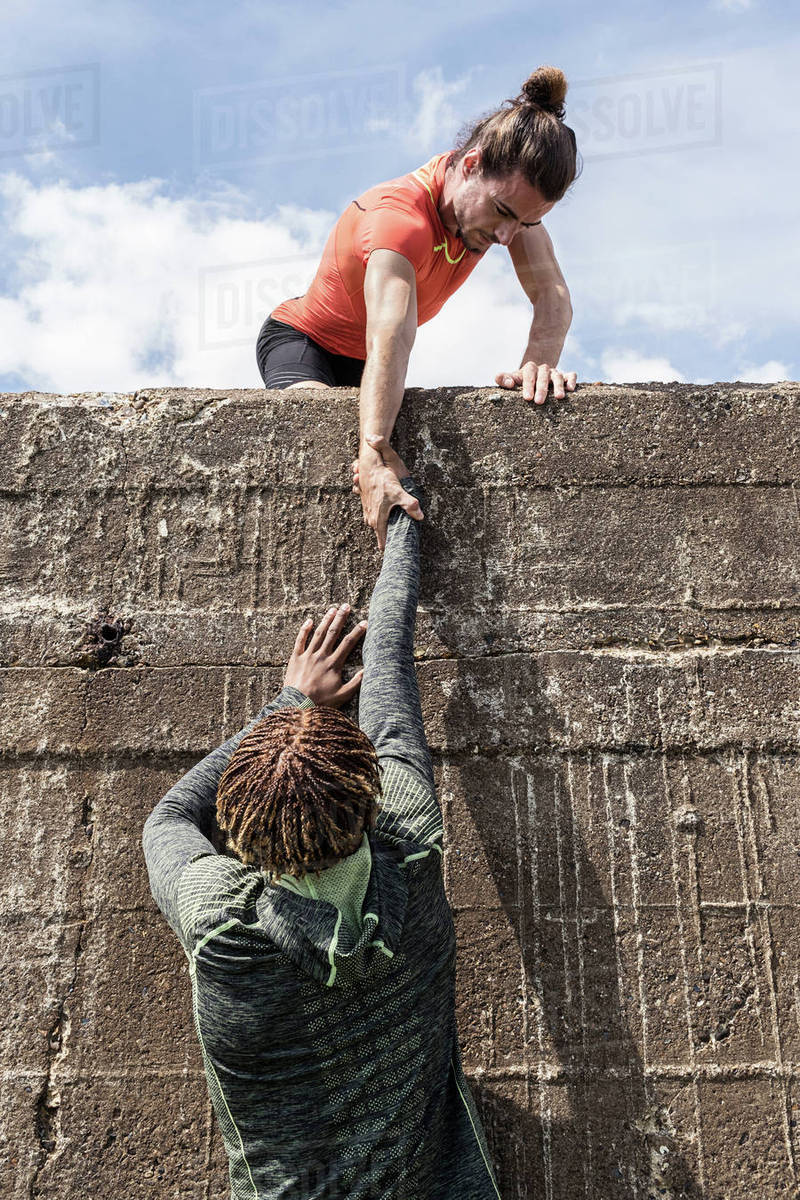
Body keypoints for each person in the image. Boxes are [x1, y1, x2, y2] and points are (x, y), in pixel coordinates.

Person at [142, 435, 502, 1200]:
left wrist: (290, 699)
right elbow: (390, 662)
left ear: (239, 832)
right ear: (369, 796)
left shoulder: (220, 922)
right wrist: (399, 517)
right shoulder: (410, 845)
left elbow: (169, 817)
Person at [257, 65, 580, 549]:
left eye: (526, 224)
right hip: (306, 343)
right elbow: (392, 334)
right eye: (504, 215)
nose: (506, 236)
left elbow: (552, 295)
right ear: (471, 165)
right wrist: (373, 451)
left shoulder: (509, 211)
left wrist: (538, 364)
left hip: (371, 364)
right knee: (330, 443)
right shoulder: (399, 218)